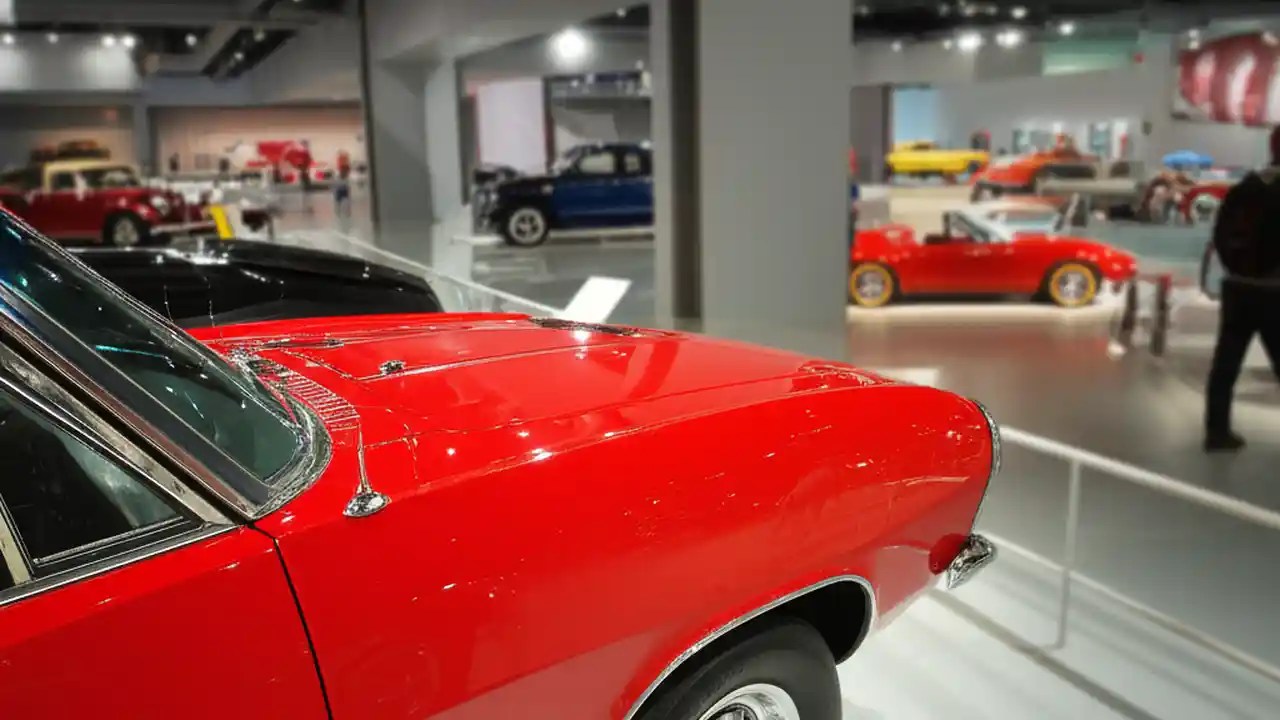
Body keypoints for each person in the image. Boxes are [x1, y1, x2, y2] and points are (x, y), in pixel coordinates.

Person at [1203, 127, 1280, 451]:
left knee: (1225, 364)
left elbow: (1220, 236)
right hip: (1275, 292)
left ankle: (1217, 432)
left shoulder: (1241, 189)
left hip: (1237, 289)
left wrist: (1236, 269)